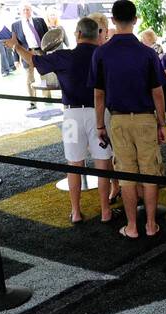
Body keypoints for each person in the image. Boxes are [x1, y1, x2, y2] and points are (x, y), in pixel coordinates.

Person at [13, 16, 113, 225]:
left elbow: (33, 60)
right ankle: (105, 211)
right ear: (98, 35)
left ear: (77, 34)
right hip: (100, 114)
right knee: (103, 164)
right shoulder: (104, 56)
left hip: (71, 115)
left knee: (74, 164)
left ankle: (76, 212)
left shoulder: (64, 56)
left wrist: (16, 46)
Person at [92, 0, 166, 240]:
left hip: (118, 120)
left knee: (125, 175)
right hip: (145, 119)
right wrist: (162, 123)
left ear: (113, 20)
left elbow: (99, 93)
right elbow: (157, 92)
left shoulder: (101, 53)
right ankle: (151, 224)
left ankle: (132, 226)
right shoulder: (147, 53)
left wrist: (100, 125)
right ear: (135, 20)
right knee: (149, 173)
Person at [12, 3, 50, 109]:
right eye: (24, 10)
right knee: (29, 79)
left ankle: (47, 99)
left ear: (31, 10)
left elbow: (47, 37)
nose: (26, 12)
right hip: (26, 53)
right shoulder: (15, 25)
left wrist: (49, 51)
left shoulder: (40, 21)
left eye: (28, 9)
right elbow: (15, 43)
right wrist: (16, 59)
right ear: (20, 11)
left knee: (44, 77)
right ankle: (33, 102)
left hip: (41, 52)